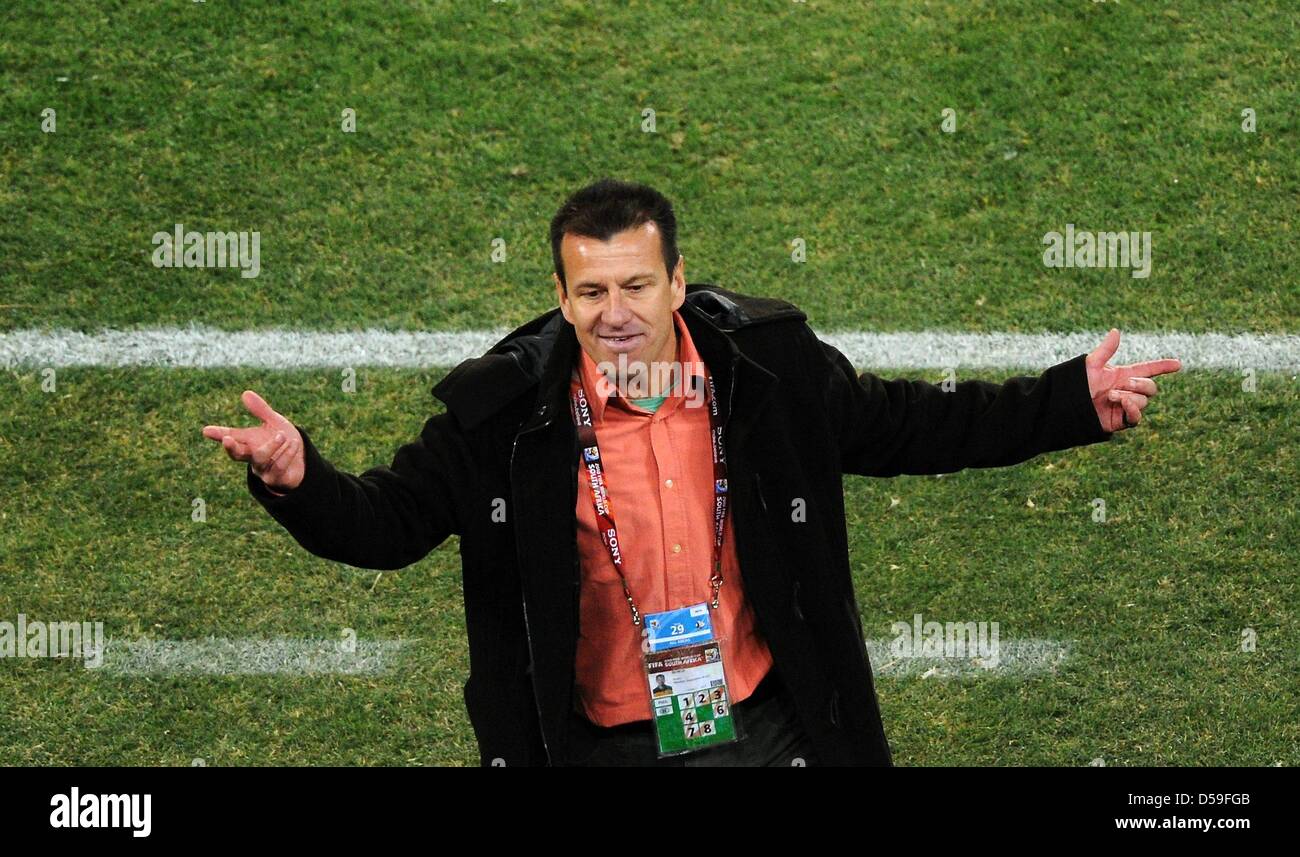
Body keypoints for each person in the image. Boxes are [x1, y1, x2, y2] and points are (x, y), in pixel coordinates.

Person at [202, 178, 1181, 766]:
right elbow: (388, 522)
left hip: (767, 729)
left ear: (677, 280)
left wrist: (1066, 401)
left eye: (635, 284)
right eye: (590, 289)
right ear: (559, 294)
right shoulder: (504, 420)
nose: (614, 309)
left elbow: (907, 424)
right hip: (597, 747)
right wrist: (298, 477)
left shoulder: (769, 371)